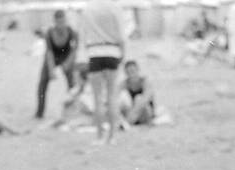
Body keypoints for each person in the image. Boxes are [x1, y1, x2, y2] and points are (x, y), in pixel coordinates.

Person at [81, 0, 126, 144]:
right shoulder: (115, 6)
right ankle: (112, 136)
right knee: (112, 96)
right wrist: (122, 54)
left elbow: (84, 34)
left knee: (97, 98)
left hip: (94, 51)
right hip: (112, 51)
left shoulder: (88, 7)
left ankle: (100, 136)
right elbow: (121, 35)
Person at [35, 10, 78, 120]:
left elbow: (74, 51)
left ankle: (74, 110)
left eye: (62, 21)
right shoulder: (49, 33)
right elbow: (49, 52)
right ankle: (39, 112)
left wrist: (67, 65)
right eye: (58, 22)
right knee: (42, 84)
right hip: (52, 56)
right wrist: (51, 70)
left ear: (66, 21)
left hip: (66, 56)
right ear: (54, 21)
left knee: (72, 85)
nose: (60, 25)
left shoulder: (72, 32)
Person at [119, 60, 156, 126]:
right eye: (128, 72)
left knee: (138, 98)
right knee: (122, 97)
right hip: (131, 114)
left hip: (146, 113)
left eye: (133, 71)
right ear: (126, 73)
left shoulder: (145, 82)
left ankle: (127, 122)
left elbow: (145, 99)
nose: (131, 74)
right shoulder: (124, 84)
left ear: (138, 70)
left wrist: (131, 115)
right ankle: (128, 121)